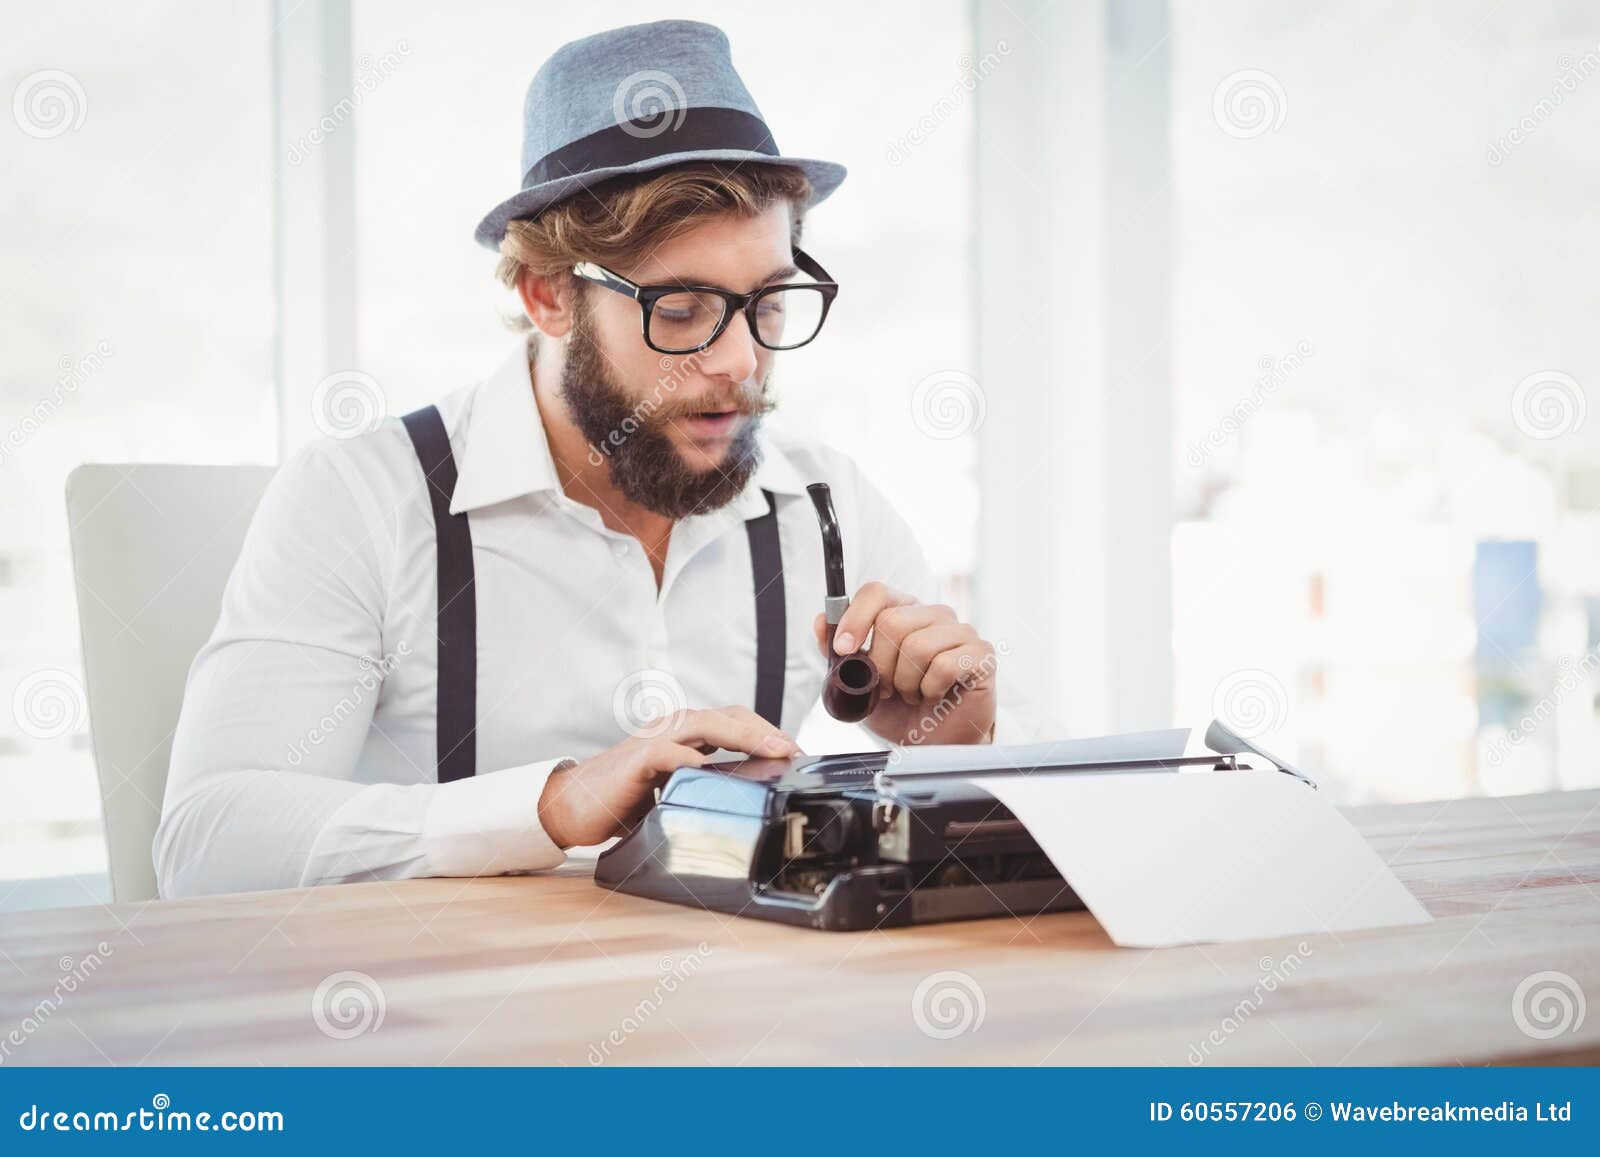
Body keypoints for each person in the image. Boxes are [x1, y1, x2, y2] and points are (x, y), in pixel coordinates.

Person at [155, 19, 1029, 898]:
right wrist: (551, 804)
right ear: (548, 295)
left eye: (766, 302)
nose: (740, 362)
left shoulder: (825, 502)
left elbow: (989, 828)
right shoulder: (362, 498)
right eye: (683, 310)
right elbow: (205, 843)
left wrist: (952, 744)